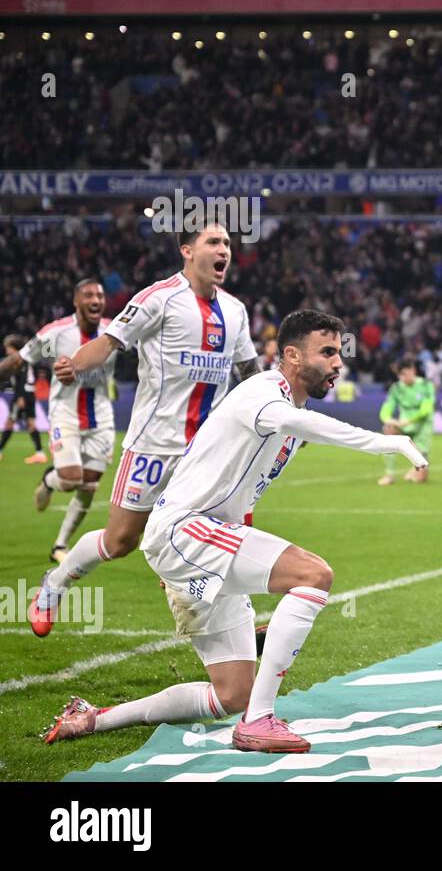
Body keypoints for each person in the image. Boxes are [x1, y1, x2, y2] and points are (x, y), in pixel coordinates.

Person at [42, 310, 427, 752]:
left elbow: (247, 480)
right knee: (313, 575)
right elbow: (293, 424)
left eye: (339, 352)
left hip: (197, 542)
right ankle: (259, 721)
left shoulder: (289, 405)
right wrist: (385, 441)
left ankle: (93, 719)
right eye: (327, 352)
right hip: (185, 530)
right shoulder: (264, 392)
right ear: (291, 355)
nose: (338, 362)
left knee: (231, 693)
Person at [28, 222, 261, 637]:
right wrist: (75, 364)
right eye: (213, 242)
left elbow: (248, 371)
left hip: (207, 452)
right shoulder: (159, 299)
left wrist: (271, 406)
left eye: (227, 242)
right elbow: (111, 342)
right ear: (187, 250)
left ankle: (237, 625)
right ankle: (54, 585)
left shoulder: (236, 311)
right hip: (153, 448)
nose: (224, 249)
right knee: (120, 542)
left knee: (232, 533)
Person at [0, 280, 117, 563]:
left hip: (101, 415)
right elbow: (20, 359)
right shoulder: (56, 333)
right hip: (65, 412)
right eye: (88, 295)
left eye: (100, 295)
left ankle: (59, 545)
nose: (95, 300)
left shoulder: (115, 331)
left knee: (89, 488)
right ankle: (49, 481)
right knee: (70, 479)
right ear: (76, 301)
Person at [378, 357, 435, 485]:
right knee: (388, 429)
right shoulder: (396, 388)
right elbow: (387, 407)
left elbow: (426, 409)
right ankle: (389, 474)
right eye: (400, 375)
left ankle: (416, 471)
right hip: (404, 426)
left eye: (404, 373)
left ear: (413, 370)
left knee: (420, 480)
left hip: (422, 427)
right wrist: (389, 419)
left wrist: (408, 421)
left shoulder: (426, 385)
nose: (402, 377)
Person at [0, 333, 47, 464]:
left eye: (8, 347)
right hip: (29, 393)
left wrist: (20, 397)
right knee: (30, 423)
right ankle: (40, 453)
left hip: (23, 394)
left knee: (10, 422)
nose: (6, 350)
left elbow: (23, 378)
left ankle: (0, 451)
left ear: (14, 348)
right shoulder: (28, 357)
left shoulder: (18, 359)